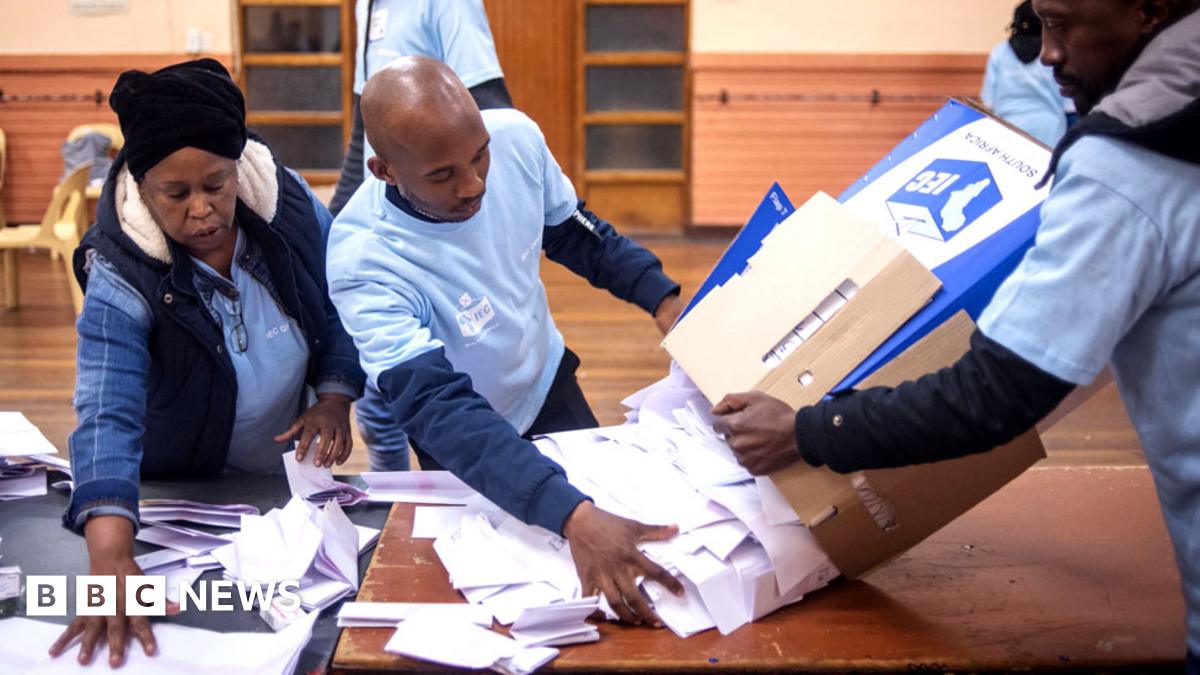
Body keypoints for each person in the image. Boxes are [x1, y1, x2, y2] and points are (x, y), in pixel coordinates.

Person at [711, 0, 1200, 667]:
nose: (1046, 51)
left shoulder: (1130, 163)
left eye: (1061, 23)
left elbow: (993, 394)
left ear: (1148, 11)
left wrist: (803, 431)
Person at [327, 56, 687, 625]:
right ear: (384, 170)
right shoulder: (363, 258)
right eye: (443, 175)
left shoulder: (516, 140)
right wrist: (569, 515)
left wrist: (664, 299)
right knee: (505, 597)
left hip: (544, 379)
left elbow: (576, 233)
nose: (474, 185)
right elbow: (434, 403)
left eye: (478, 157)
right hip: (459, 433)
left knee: (613, 554)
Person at [48, 59, 365, 667]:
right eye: (176, 193)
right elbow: (105, 410)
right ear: (142, 187)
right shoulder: (121, 269)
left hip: (278, 486)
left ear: (238, 169)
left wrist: (333, 393)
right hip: (177, 490)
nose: (202, 210)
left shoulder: (287, 208)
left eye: (215, 185)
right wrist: (111, 552)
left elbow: (346, 300)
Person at [331, 0, 514, 472]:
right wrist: (333, 230)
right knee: (377, 395)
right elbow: (363, 132)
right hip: (394, 217)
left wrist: (490, 223)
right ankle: (392, 489)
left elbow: (490, 109)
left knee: (442, 375)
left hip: (445, 217)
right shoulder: (366, 7)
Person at [981, 0, 1078, 145]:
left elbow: (988, 102)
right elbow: (1070, 107)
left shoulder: (1000, 52)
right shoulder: (1053, 54)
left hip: (1007, 130)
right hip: (1050, 132)